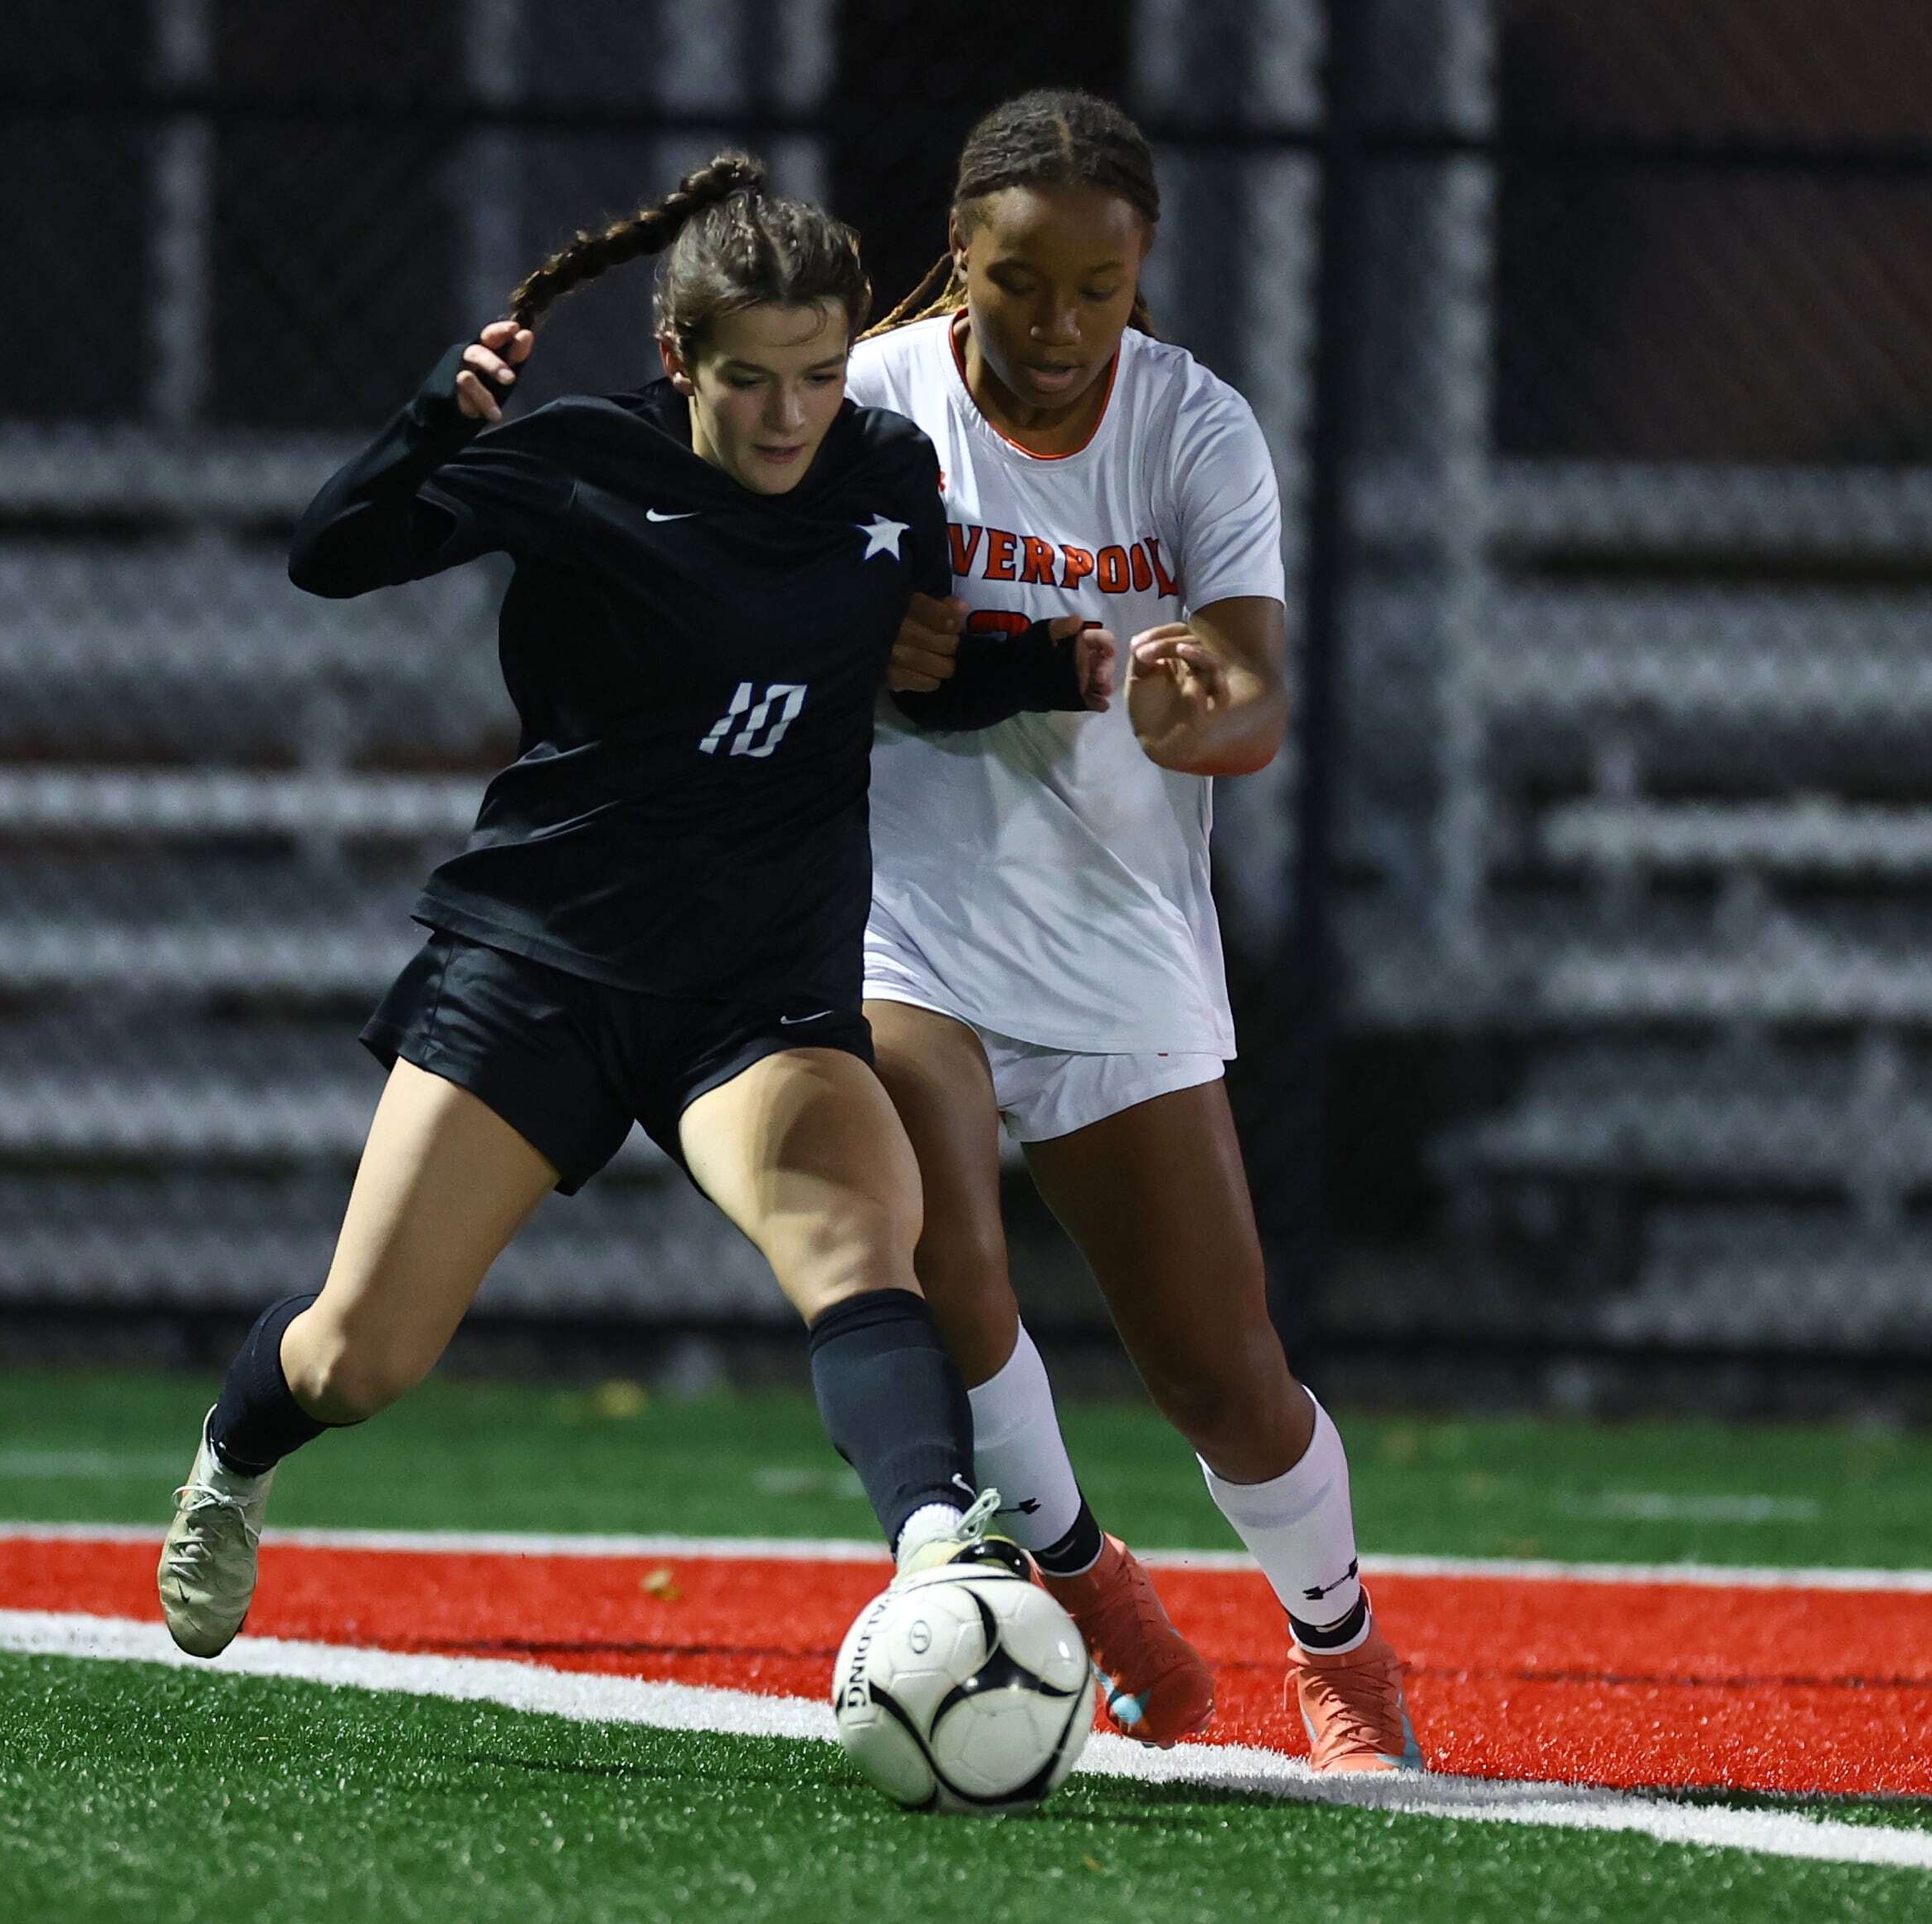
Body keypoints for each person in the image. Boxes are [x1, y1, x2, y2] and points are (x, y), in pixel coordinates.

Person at [155, 155, 1107, 1659]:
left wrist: (1053, 670)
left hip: (760, 981)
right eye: (750, 382)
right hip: (549, 963)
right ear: (678, 362)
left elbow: (909, 680)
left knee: (863, 1247)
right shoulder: (584, 457)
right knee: (362, 1354)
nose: (791, 415)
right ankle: (236, 1450)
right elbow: (330, 557)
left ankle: (940, 1556)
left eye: (815, 375)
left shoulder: (884, 474)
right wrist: (433, 421)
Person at [846, 90, 1420, 1771]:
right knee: (939, 1249)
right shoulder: (873, 402)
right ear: (962, 257)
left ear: (1138, 273)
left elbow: (1251, 695)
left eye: (1096, 287)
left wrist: (1196, 712)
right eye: (1020, 284)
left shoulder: (1194, 427)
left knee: (1223, 1376)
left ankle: (1344, 1650)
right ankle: (1094, 1590)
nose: (1058, 324)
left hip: (1113, 947)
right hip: (906, 923)